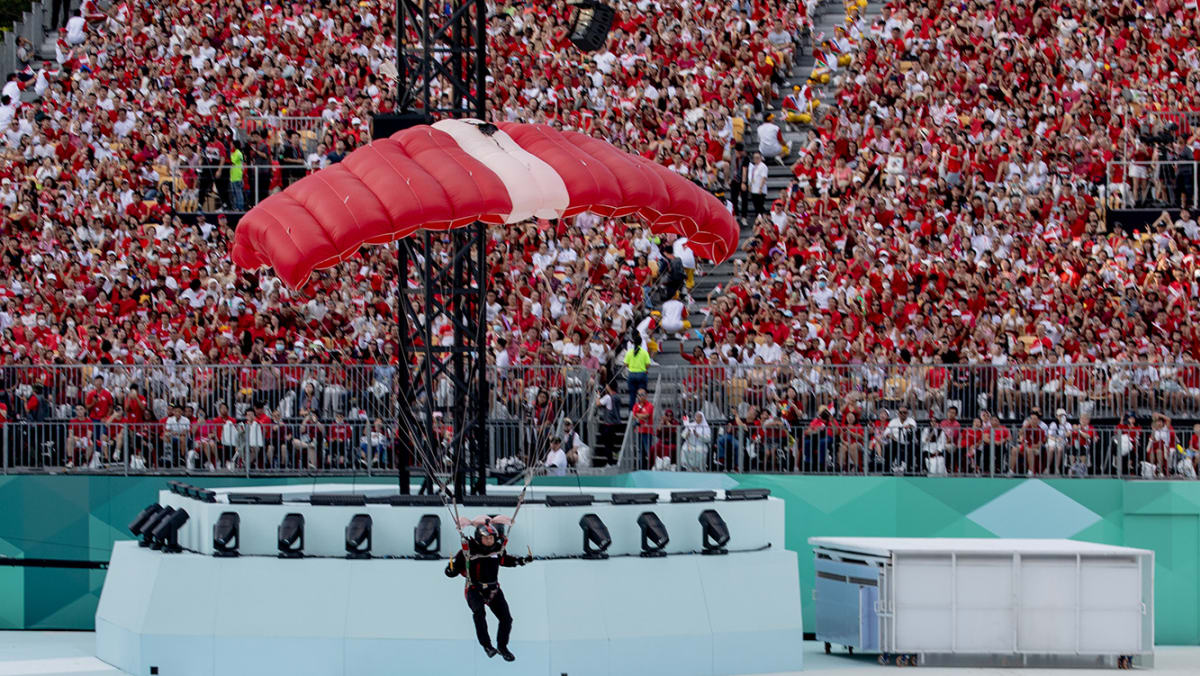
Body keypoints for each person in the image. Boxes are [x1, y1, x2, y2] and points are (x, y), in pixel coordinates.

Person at [445, 521, 532, 661]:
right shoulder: (467, 551)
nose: (489, 541)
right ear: (479, 538)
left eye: (491, 538)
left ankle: (502, 647)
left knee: (506, 619)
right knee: (479, 613)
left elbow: (505, 560)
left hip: (493, 589)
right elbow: (453, 570)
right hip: (474, 589)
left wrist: (521, 561)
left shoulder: (497, 549)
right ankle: (487, 646)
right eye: (486, 538)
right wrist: (450, 570)